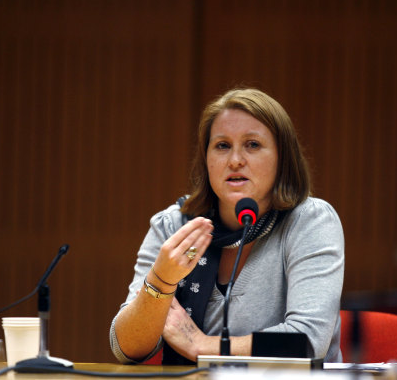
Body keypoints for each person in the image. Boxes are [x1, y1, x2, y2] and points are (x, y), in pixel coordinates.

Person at [109, 88, 344, 364]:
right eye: (222, 145)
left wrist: (202, 346)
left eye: (252, 145)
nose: (235, 160)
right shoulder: (174, 226)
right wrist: (160, 281)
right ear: (206, 159)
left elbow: (307, 341)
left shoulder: (309, 222)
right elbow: (125, 349)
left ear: (283, 158)